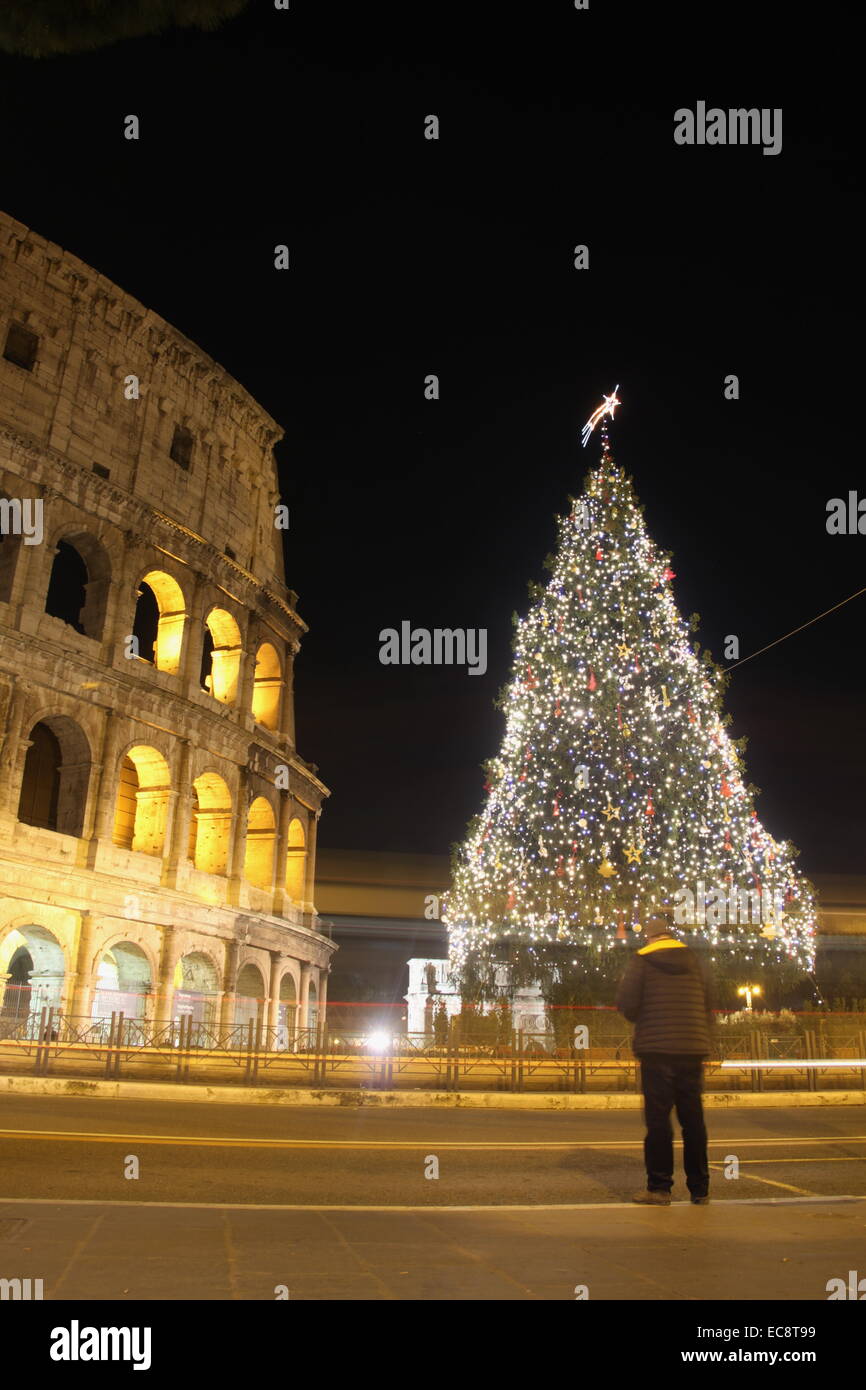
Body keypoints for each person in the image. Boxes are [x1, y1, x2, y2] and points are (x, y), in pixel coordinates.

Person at [615, 910, 714, 1205]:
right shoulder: (694, 960)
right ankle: (700, 1188)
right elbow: (710, 1001)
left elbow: (626, 1003)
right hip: (692, 1049)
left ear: (649, 936)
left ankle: (659, 1188)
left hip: (656, 1050)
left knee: (659, 1121)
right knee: (693, 1120)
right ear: (669, 935)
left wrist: (644, 1017)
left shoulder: (642, 960)